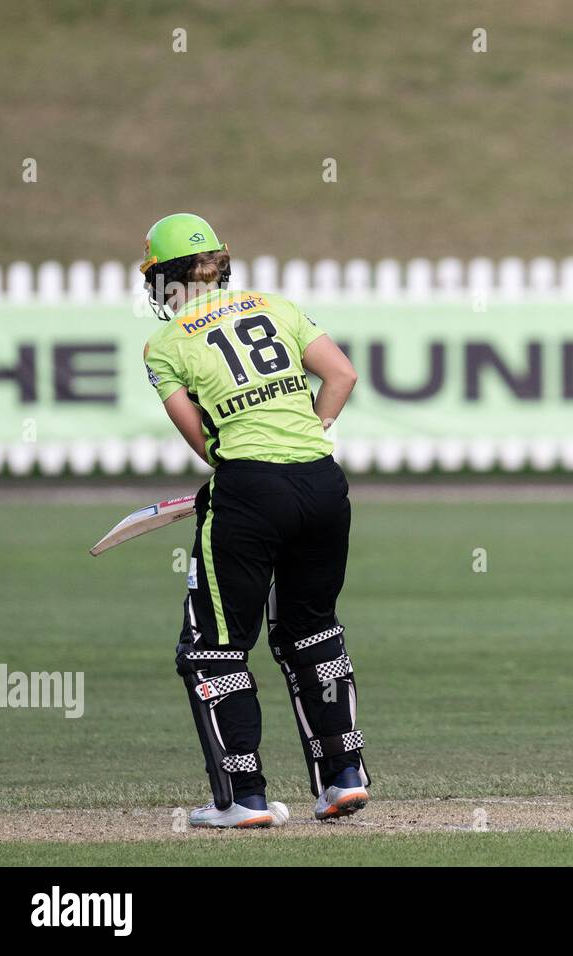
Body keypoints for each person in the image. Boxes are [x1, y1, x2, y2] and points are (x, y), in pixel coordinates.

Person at [140, 213, 372, 827]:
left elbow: (206, 447)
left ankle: (241, 799)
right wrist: (306, 434)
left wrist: (250, 472)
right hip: (323, 484)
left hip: (248, 492)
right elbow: (342, 374)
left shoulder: (164, 346)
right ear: (221, 262)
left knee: (213, 647)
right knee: (312, 632)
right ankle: (342, 778)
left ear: (164, 279)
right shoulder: (278, 306)